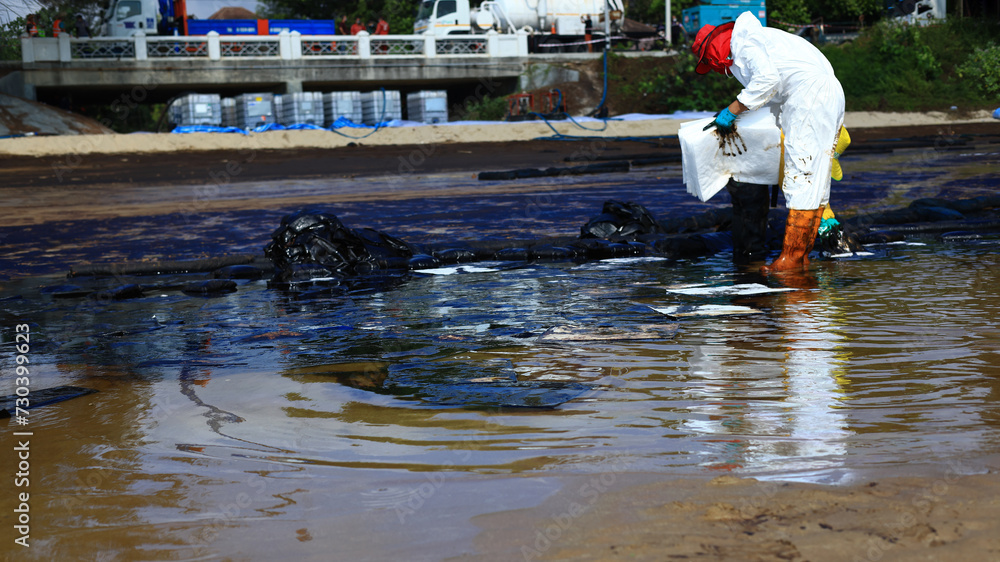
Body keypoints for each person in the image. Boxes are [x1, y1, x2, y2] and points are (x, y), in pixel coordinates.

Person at [692, 11, 845, 272]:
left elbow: (768, 81)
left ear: (713, 52)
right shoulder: (763, 39)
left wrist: (732, 110)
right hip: (824, 94)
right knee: (815, 179)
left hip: (809, 97)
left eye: (710, 62)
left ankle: (790, 259)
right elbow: (773, 93)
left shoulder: (745, 45)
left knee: (800, 176)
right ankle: (801, 257)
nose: (717, 69)